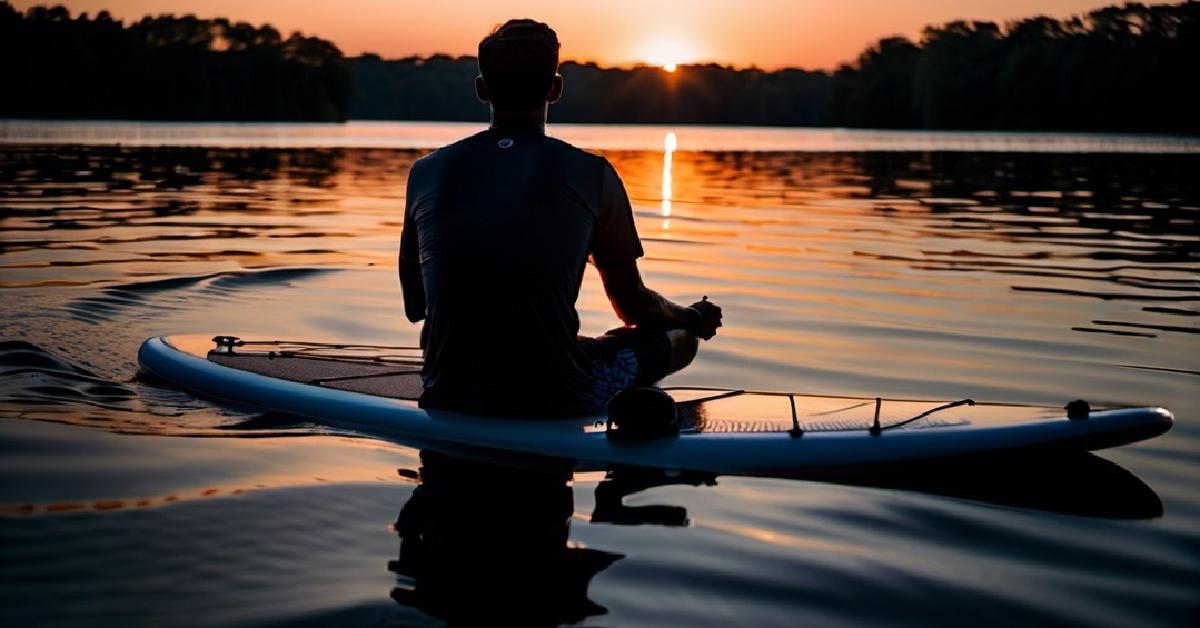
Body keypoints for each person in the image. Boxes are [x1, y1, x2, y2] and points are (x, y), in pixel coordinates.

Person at [399, 18, 722, 418]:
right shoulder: (592, 174)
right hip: (556, 395)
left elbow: (417, 304)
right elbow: (633, 306)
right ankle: (648, 425)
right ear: (556, 88)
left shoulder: (426, 172)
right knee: (681, 337)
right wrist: (691, 316)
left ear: (482, 89)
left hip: (447, 389)